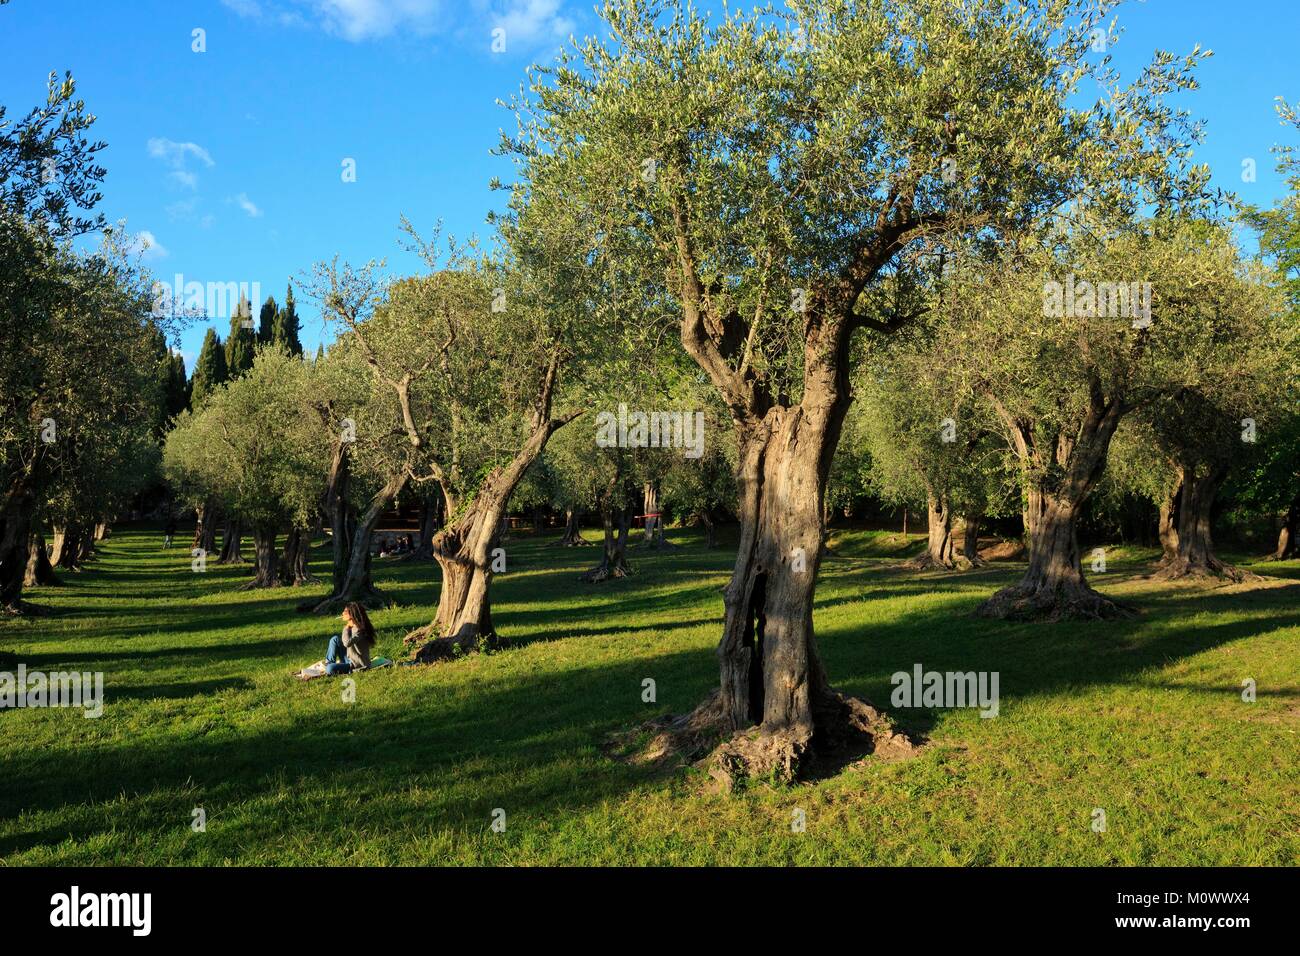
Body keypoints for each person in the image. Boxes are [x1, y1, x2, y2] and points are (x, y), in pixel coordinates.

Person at [324, 602, 376, 675]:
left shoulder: (359, 630)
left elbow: (347, 643)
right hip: (349, 658)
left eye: (345, 612)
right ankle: (328, 663)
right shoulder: (352, 627)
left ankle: (329, 667)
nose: (342, 613)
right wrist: (348, 627)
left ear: (351, 615)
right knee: (334, 639)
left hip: (357, 664)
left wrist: (346, 628)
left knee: (330, 669)